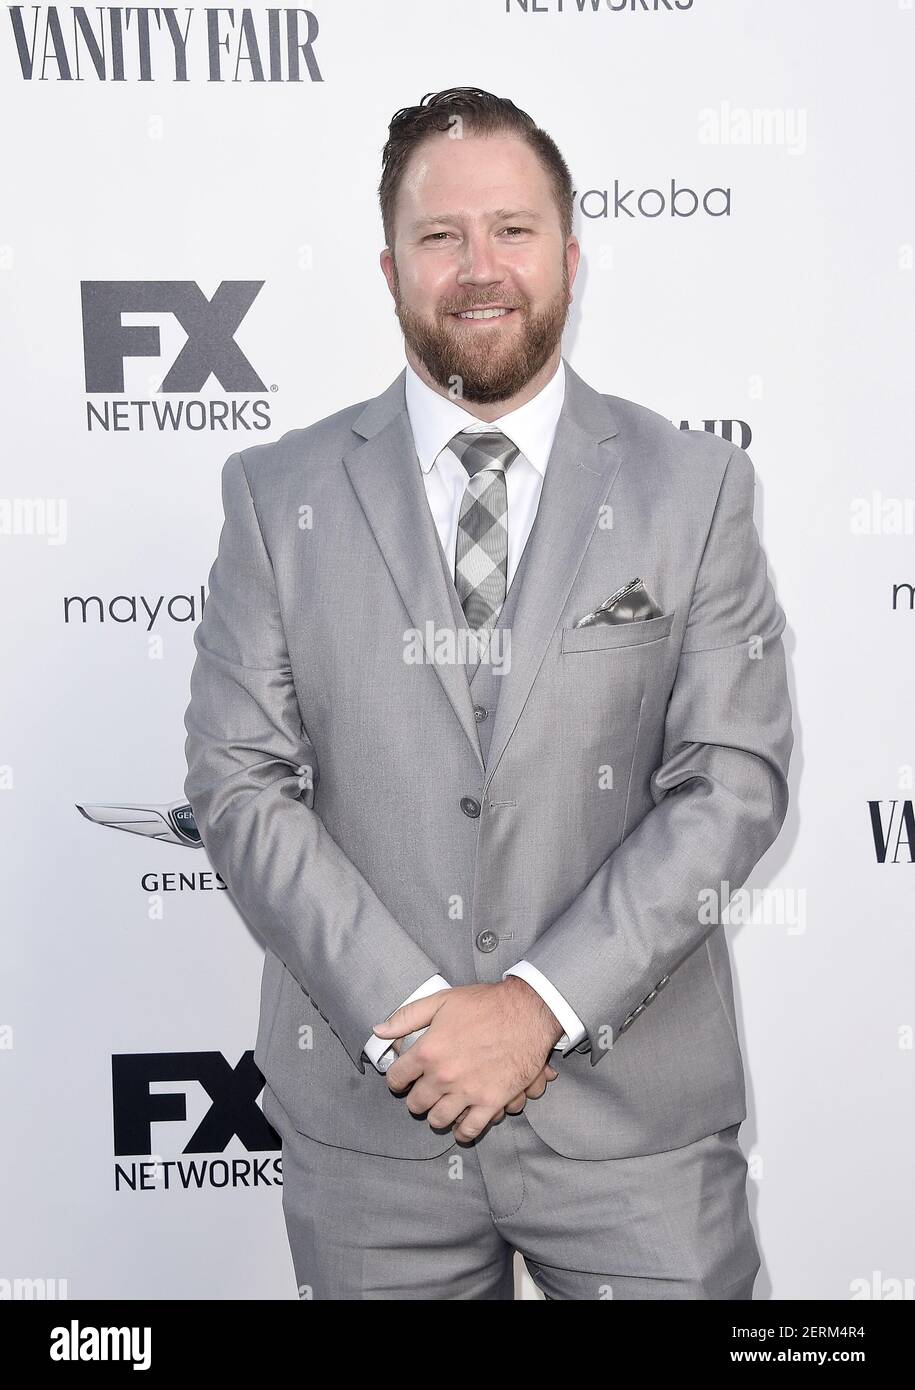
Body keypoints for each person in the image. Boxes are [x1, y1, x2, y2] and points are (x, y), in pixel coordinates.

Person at [183, 87, 793, 1300]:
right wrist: (416, 1015)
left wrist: (535, 1005)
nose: (480, 268)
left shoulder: (698, 487)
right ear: (389, 264)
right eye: (440, 235)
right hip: (375, 1140)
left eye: (512, 230)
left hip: (639, 1141)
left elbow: (732, 781)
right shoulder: (274, 494)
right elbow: (238, 784)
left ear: (570, 254)